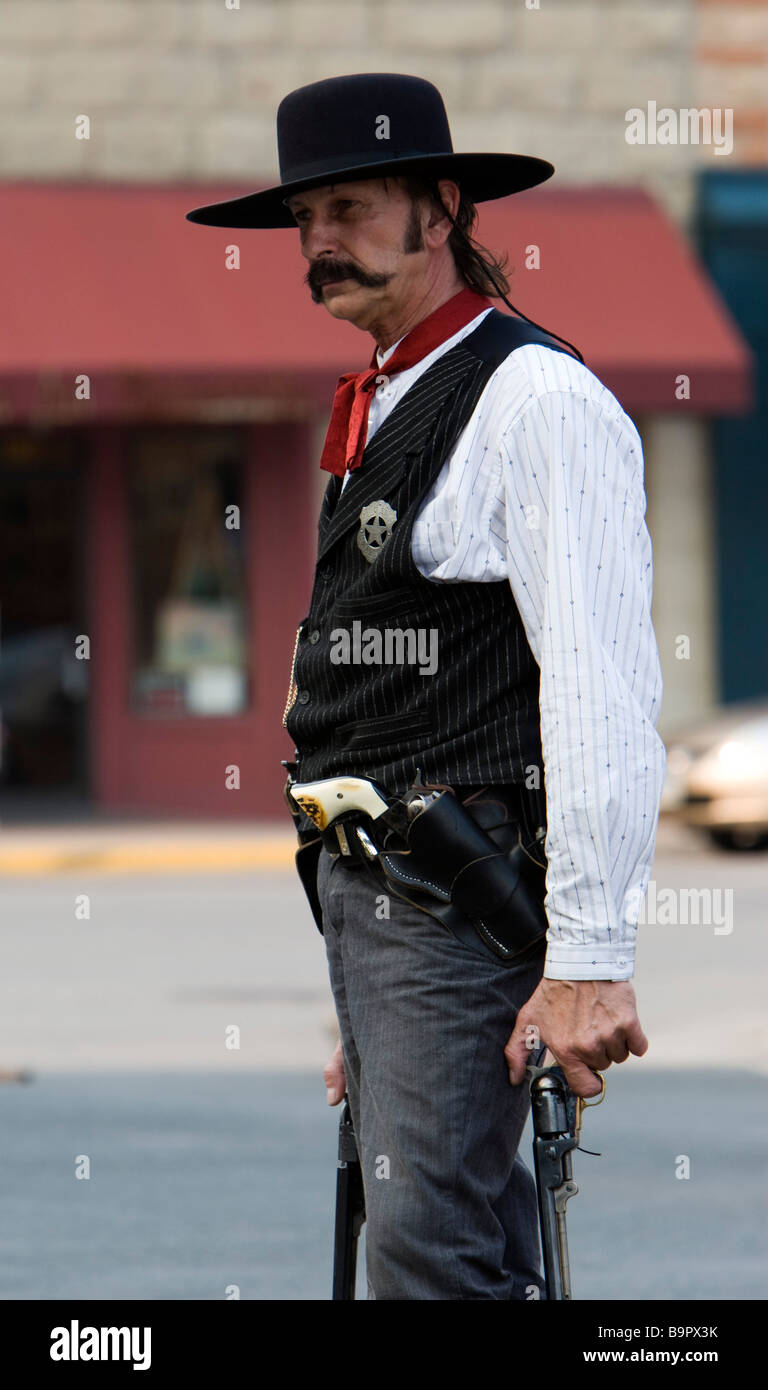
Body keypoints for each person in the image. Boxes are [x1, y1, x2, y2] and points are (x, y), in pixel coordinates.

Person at [187, 73, 666, 1301]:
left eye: (349, 207)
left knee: (429, 1262)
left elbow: (600, 685)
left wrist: (589, 957)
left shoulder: (537, 402)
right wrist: (378, 1006)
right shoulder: (389, 391)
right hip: (386, 900)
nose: (319, 243)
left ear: (442, 207)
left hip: (453, 890)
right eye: (304, 221)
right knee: (462, 1249)